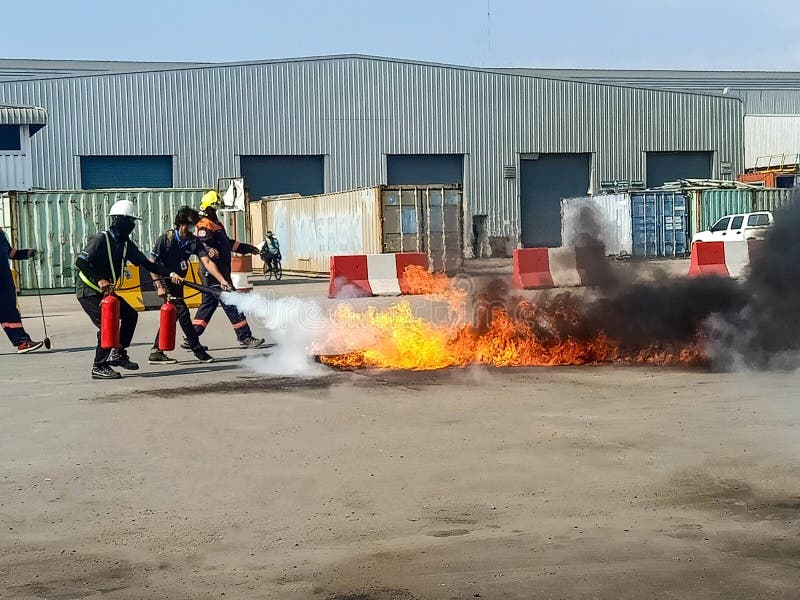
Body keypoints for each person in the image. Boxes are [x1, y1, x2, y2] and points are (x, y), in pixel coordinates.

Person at [75, 199, 170, 380]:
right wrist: (100, 279)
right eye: (130, 221)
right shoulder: (101, 239)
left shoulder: (126, 244)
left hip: (106, 292)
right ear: (119, 221)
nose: (132, 225)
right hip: (88, 290)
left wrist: (170, 273)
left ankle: (118, 354)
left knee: (130, 315)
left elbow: (145, 264)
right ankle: (99, 366)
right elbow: (81, 262)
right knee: (107, 325)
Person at [148, 206, 232, 365]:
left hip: (179, 282)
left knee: (173, 315)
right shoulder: (166, 240)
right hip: (166, 280)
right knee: (183, 314)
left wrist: (221, 280)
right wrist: (159, 286)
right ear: (181, 224)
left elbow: (206, 261)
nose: (192, 228)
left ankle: (156, 351)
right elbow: (151, 263)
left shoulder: (193, 241)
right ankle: (197, 349)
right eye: (189, 225)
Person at [185, 190, 264, 350]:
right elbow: (202, 244)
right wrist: (209, 250)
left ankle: (191, 337)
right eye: (215, 208)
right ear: (208, 208)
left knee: (208, 304)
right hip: (214, 273)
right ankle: (245, 337)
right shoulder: (204, 224)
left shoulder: (215, 224)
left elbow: (226, 243)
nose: (217, 211)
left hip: (221, 271)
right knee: (232, 302)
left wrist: (245, 248)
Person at [0, 227, 44, 353]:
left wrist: (25, 253)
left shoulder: (1, 235)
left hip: (4, 281)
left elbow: (9, 253)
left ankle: (22, 342)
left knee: (9, 312)